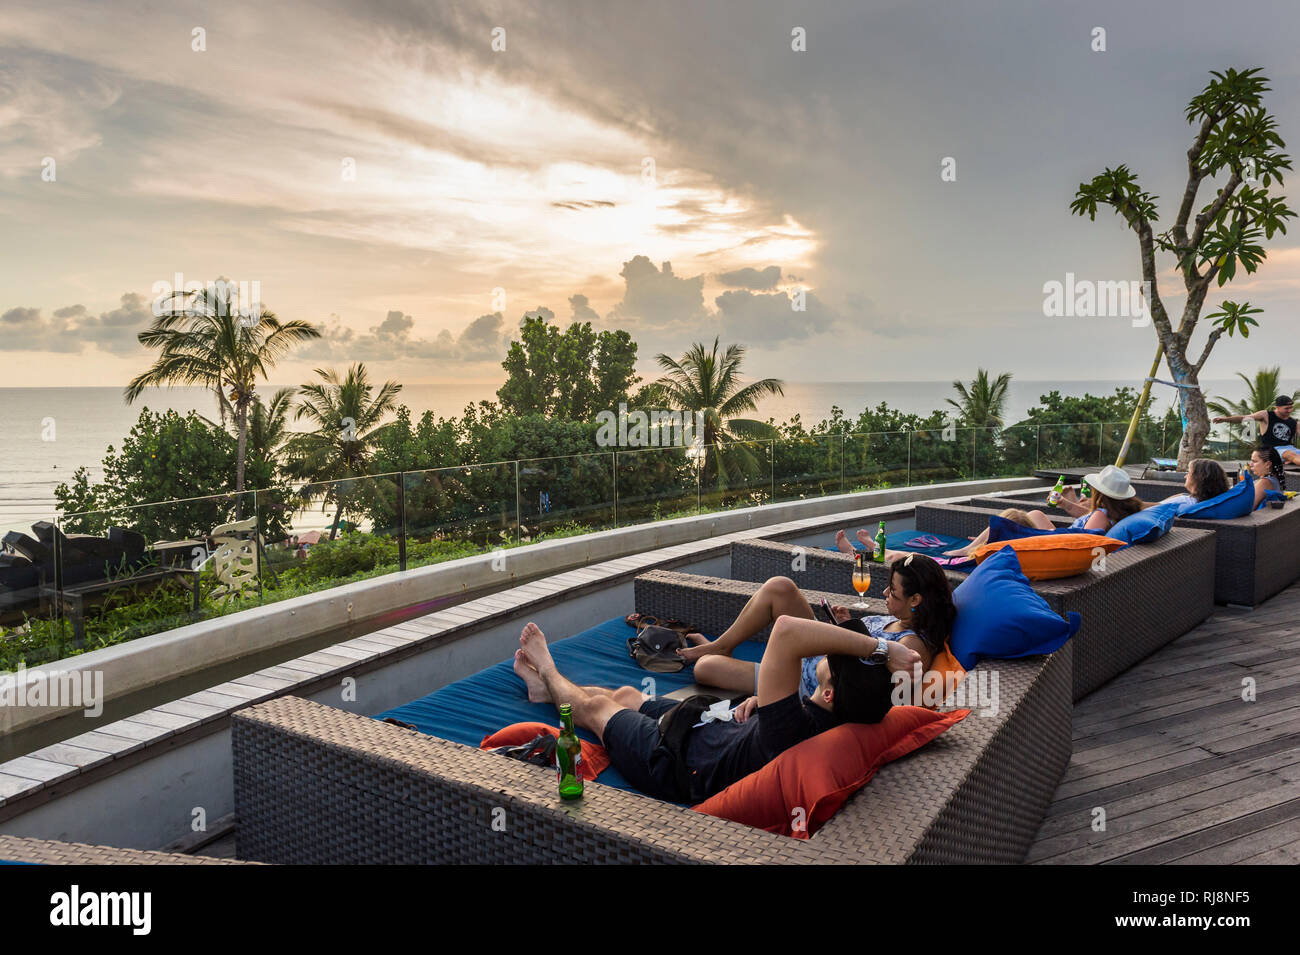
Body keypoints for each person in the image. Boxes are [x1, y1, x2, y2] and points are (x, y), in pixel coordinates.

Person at [510, 611, 919, 804]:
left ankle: (547, 669)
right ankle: (545, 691)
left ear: (828, 695)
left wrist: (879, 647)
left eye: (834, 659)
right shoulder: (810, 716)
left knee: (601, 708)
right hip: (701, 724)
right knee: (626, 695)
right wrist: (761, 705)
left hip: (673, 762)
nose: (827, 653)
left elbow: (787, 631)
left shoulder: (794, 728)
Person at [677, 555, 955, 700]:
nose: (884, 593)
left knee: (705, 668)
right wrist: (846, 627)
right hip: (815, 653)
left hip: (805, 680)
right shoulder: (898, 619)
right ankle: (722, 644)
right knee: (780, 587)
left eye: (892, 591)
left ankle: (717, 654)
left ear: (916, 600)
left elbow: (884, 688)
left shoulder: (914, 645)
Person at [1214, 395, 1300, 468]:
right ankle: (1289, 459)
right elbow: (1245, 418)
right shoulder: (1266, 415)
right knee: (1289, 455)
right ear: (1277, 407)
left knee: (1291, 454)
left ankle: (1289, 460)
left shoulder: (1294, 422)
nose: (1289, 410)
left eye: (1291, 408)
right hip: (1272, 450)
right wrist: (1225, 419)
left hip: (1290, 448)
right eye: (1286, 408)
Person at [1161, 458, 1231, 509]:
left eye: (1188, 472)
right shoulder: (1215, 502)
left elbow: (1153, 507)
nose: (1185, 476)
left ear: (1198, 478)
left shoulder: (1183, 501)